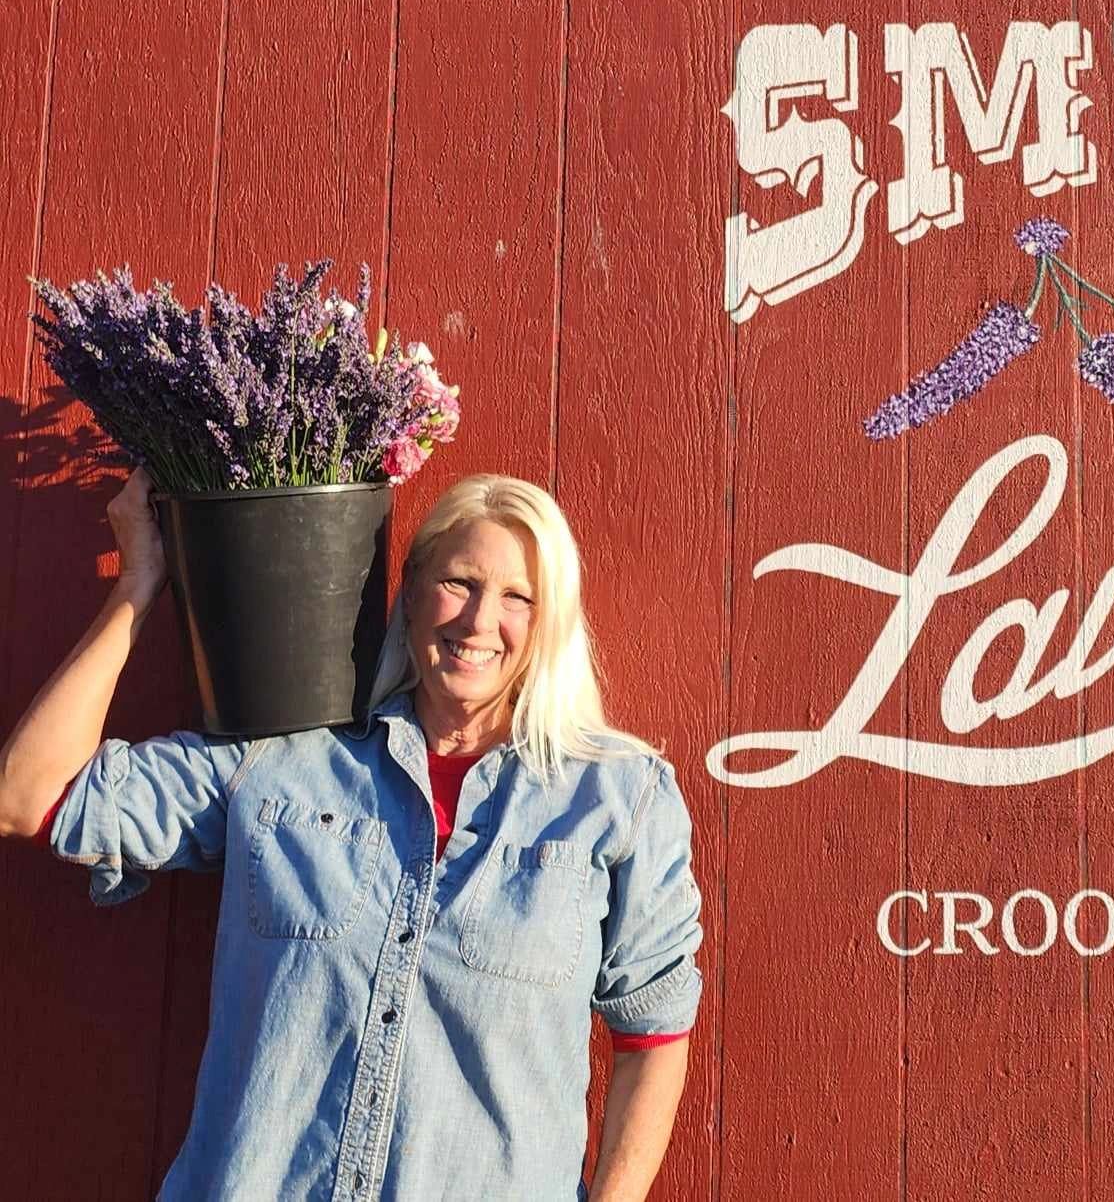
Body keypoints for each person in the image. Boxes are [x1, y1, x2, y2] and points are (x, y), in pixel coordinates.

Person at [0, 468, 703, 1201]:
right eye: (460, 582)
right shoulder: (285, 758)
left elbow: (652, 1036)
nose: (477, 621)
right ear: (414, 584)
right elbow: (27, 795)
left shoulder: (620, 799)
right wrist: (140, 582)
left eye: (518, 598)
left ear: (551, 620)